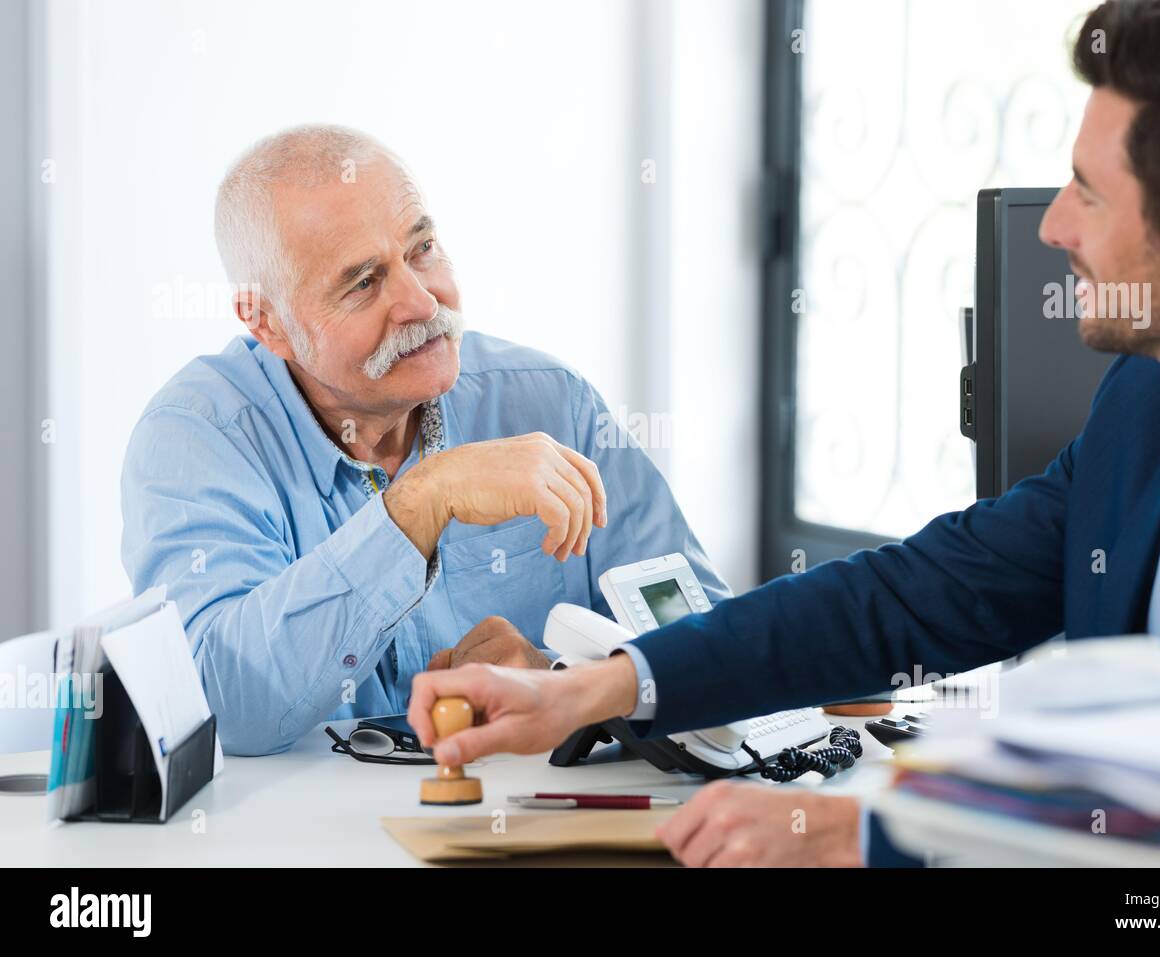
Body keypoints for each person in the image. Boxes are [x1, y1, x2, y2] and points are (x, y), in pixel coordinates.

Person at [407, 0, 1160, 866]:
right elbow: (918, 594)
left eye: (1091, 195)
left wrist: (876, 838)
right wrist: (595, 686)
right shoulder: (1146, 400)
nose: (1056, 226)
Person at [120, 125, 726, 756]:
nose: (421, 301)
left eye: (423, 249)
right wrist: (421, 502)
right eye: (363, 282)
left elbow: (712, 655)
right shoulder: (197, 438)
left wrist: (566, 684)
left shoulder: (550, 401)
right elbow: (223, 707)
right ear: (267, 321)